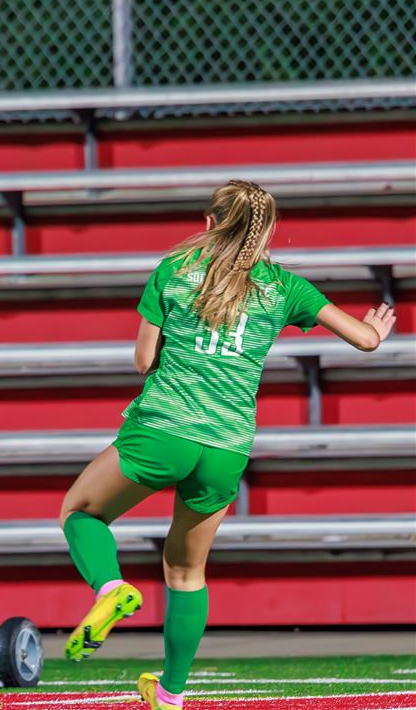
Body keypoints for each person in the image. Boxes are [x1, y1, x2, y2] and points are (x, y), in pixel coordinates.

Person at [57, 181, 396, 710]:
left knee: (80, 513)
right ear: (269, 233)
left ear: (213, 223)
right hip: (226, 446)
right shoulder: (285, 287)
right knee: (187, 572)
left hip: (162, 429)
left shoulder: (174, 270)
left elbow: (143, 362)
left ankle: (109, 589)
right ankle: (170, 693)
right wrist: (377, 329)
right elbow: (365, 340)